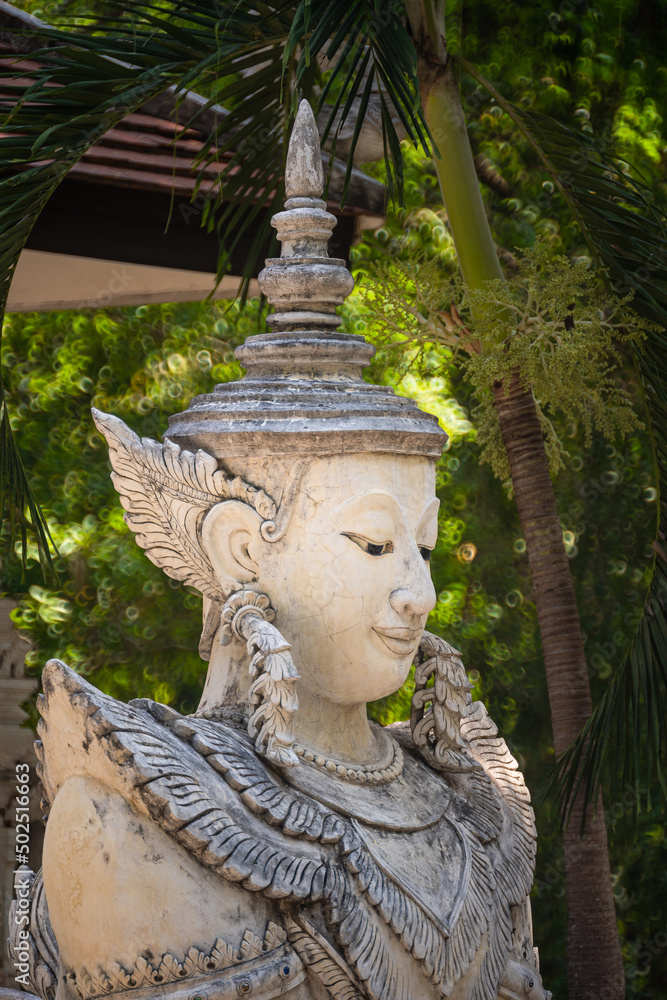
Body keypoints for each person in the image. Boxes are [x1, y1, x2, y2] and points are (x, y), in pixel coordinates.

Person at [14, 101, 549, 1000]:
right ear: (239, 550)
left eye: (421, 547)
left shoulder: (470, 807)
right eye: (376, 544)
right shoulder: (135, 808)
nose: (417, 592)